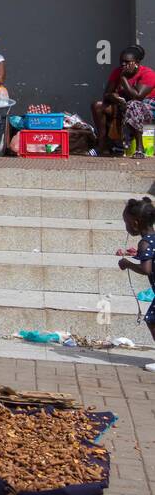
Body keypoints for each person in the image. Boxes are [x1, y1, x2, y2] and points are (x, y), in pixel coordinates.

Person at [93, 45, 155, 155]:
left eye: (127, 62)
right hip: (123, 104)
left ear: (137, 62)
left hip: (147, 107)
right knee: (97, 106)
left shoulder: (148, 74)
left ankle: (139, 148)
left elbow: (138, 96)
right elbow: (107, 94)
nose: (123, 64)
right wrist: (114, 97)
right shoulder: (118, 71)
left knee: (133, 104)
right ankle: (102, 146)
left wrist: (123, 78)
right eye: (121, 61)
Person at [116, 197, 155, 372]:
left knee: (151, 320)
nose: (125, 227)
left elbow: (146, 269)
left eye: (126, 223)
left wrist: (127, 264)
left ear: (135, 223)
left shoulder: (145, 242)